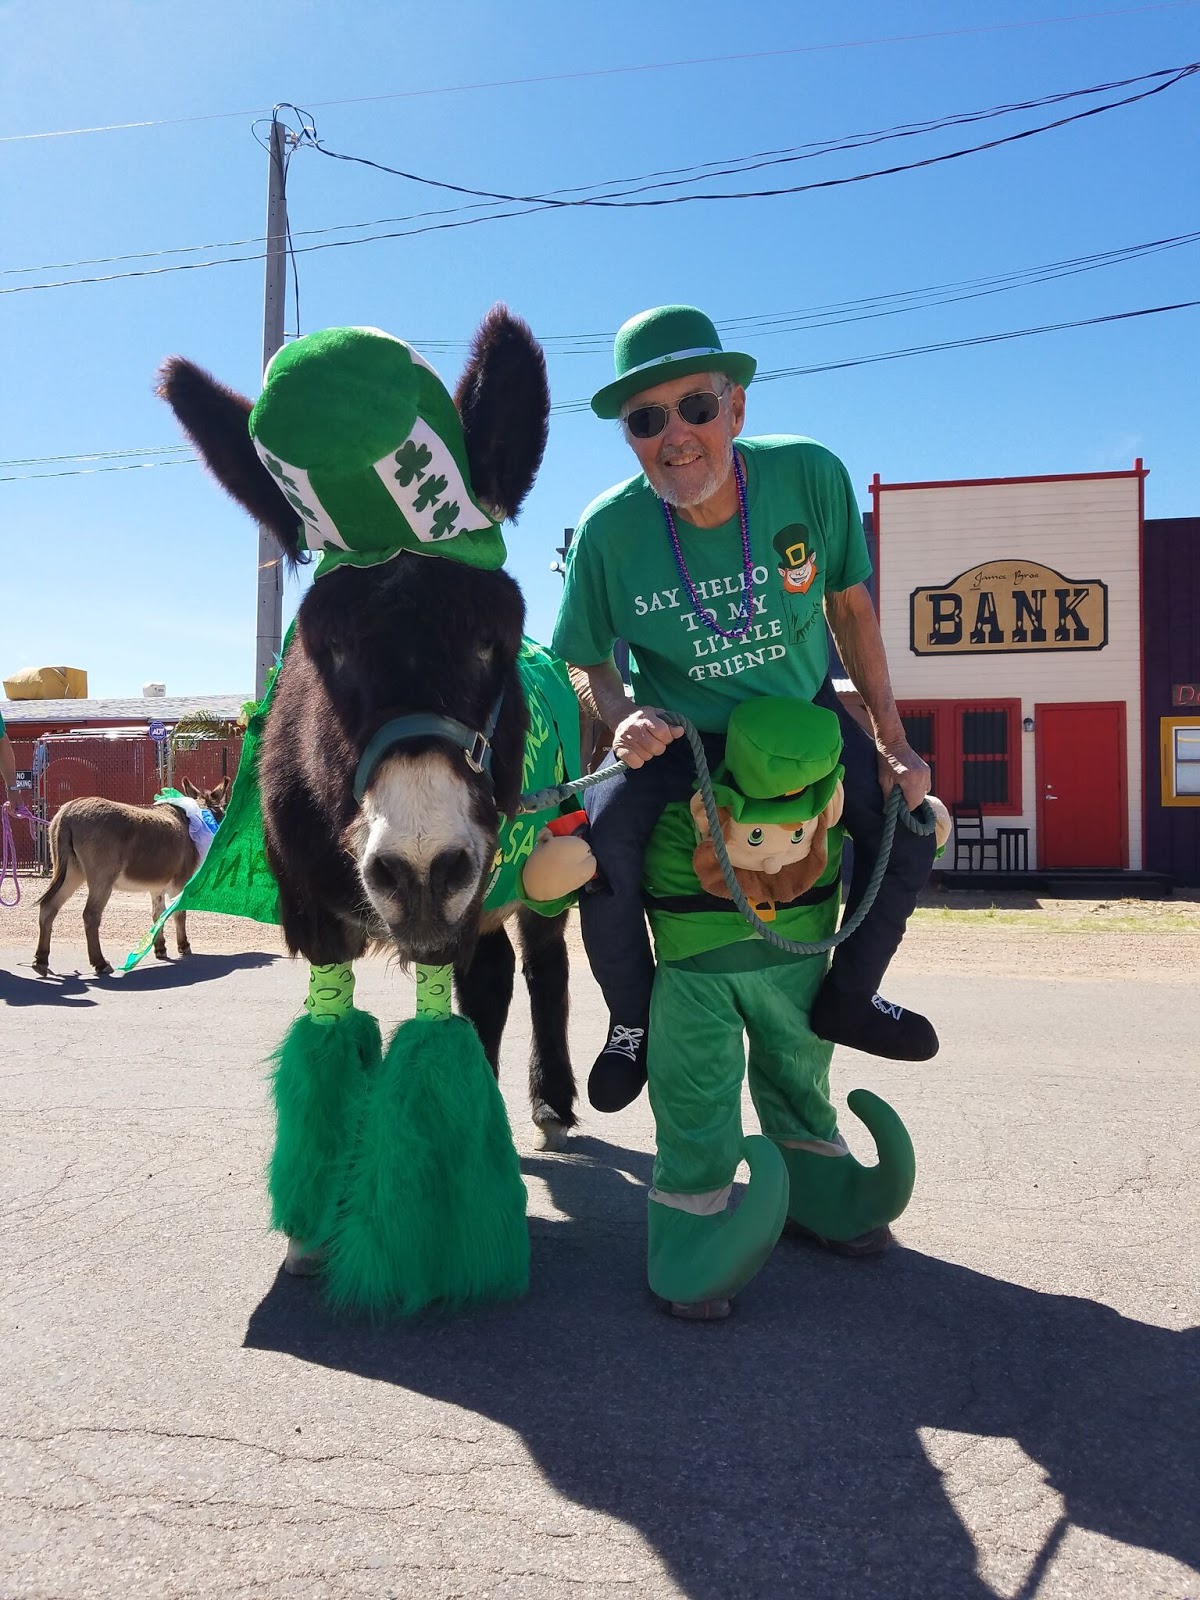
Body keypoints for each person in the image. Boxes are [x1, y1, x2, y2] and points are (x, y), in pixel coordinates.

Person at [551, 304, 937, 1114]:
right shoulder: (608, 530)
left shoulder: (809, 475)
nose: (675, 434)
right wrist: (620, 713)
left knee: (913, 822)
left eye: (695, 407)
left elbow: (852, 612)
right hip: (678, 735)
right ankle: (631, 1024)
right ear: (630, 435)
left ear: (736, 408)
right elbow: (585, 658)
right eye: (646, 419)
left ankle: (851, 996)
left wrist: (893, 741)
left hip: (799, 720)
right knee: (598, 847)